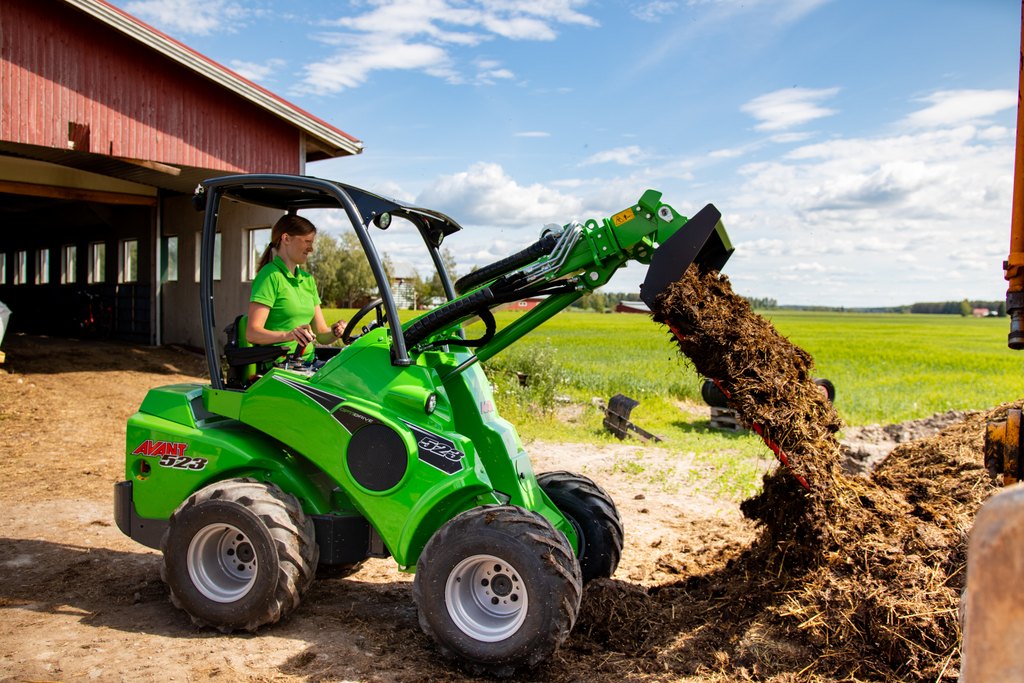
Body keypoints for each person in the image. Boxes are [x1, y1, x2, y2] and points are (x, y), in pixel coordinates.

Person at [246, 214, 346, 361]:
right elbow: (253, 334)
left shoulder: (307, 280)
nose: (311, 249)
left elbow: (321, 333)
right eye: (307, 241)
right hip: (281, 366)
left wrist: (335, 332)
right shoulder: (269, 276)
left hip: (308, 362)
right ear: (286, 238)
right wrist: (289, 335)